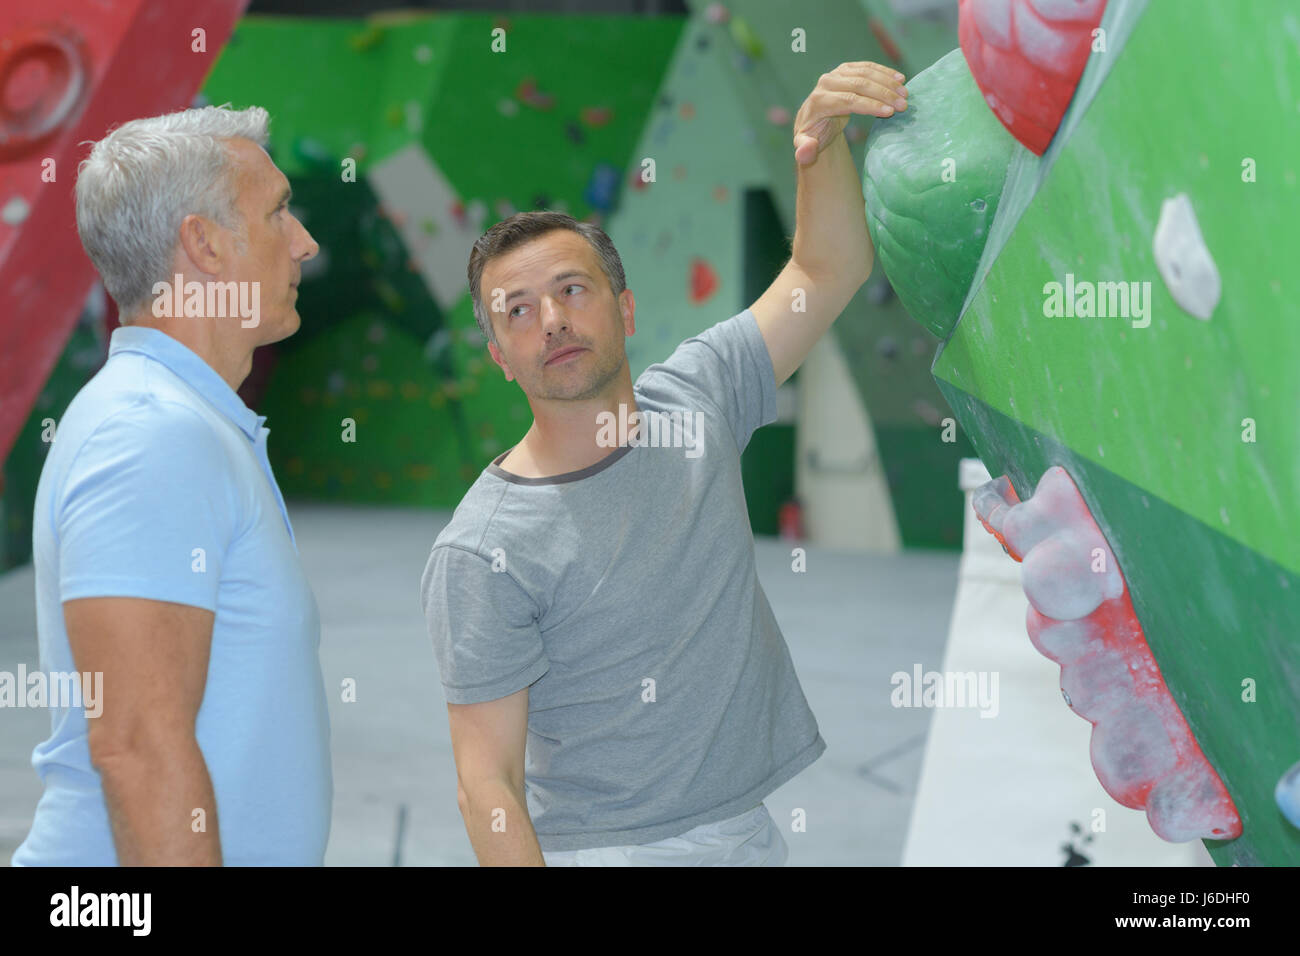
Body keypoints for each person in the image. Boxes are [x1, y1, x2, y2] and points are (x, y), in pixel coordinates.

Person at [421, 62, 907, 865]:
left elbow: (825, 271)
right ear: (501, 356)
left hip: (746, 833)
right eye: (517, 311)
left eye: (573, 289)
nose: (551, 321)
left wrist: (817, 151)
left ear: (626, 306)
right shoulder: (483, 549)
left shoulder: (700, 395)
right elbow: (488, 784)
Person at [12, 105, 329, 866]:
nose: (305, 242)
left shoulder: (187, 422)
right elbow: (135, 747)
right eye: (279, 212)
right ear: (204, 246)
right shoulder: (152, 434)